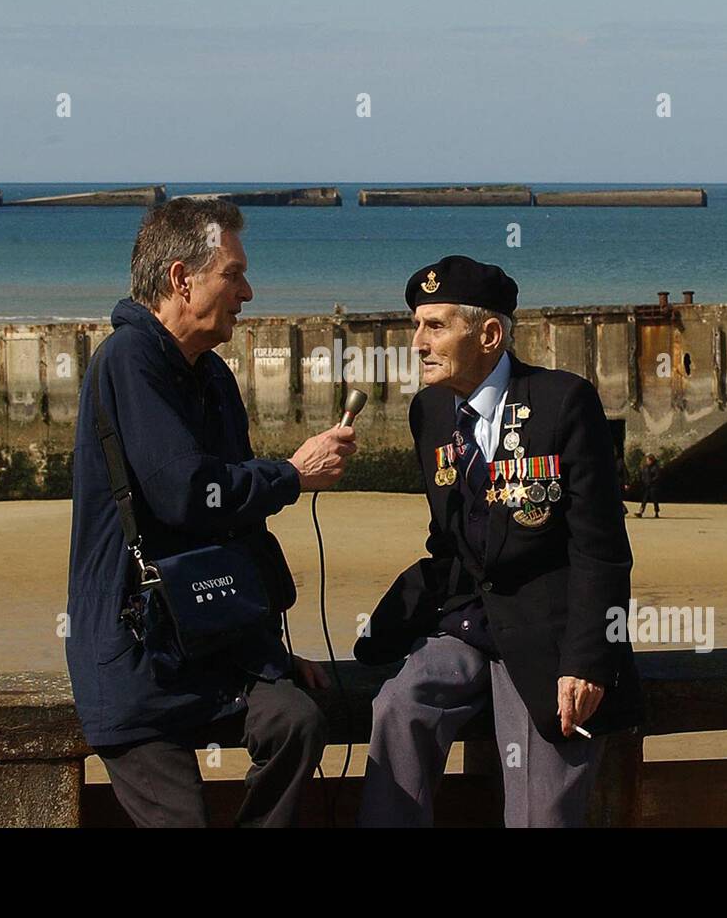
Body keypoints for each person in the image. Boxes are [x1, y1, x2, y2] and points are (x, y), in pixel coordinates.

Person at [67, 198, 355, 828]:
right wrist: (292, 475)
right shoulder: (127, 360)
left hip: (217, 641)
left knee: (299, 721)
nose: (247, 291)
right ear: (181, 278)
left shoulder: (213, 376)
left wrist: (272, 652)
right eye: (234, 274)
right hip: (137, 654)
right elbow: (187, 493)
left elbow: (235, 528)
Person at [354, 255, 642, 827]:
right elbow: (448, 540)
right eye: (416, 325)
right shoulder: (429, 411)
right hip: (467, 621)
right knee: (396, 707)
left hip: (549, 636)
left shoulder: (563, 402)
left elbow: (601, 548)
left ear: (489, 334)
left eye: (435, 326)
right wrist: (398, 624)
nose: (417, 343)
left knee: (540, 813)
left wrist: (587, 662)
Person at [636, 453, 661, 518]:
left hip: (653, 486)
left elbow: (657, 476)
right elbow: (642, 474)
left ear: (651, 460)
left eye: (648, 460)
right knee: (644, 500)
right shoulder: (645, 467)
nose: (647, 461)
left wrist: (651, 481)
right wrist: (642, 480)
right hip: (646, 486)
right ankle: (640, 512)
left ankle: (656, 512)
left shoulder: (655, 467)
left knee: (654, 500)